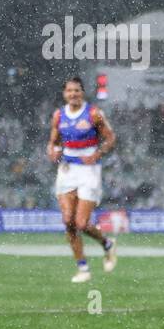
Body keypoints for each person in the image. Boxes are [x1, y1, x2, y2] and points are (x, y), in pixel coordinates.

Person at [48, 77, 117, 283]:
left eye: (77, 91)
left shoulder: (94, 114)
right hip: (68, 169)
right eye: (69, 91)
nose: (73, 94)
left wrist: (98, 153)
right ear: (64, 94)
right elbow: (53, 142)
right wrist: (52, 151)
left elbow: (111, 138)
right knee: (68, 221)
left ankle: (106, 244)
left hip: (88, 170)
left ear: (83, 93)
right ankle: (83, 268)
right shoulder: (59, 115)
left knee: (81, 222)